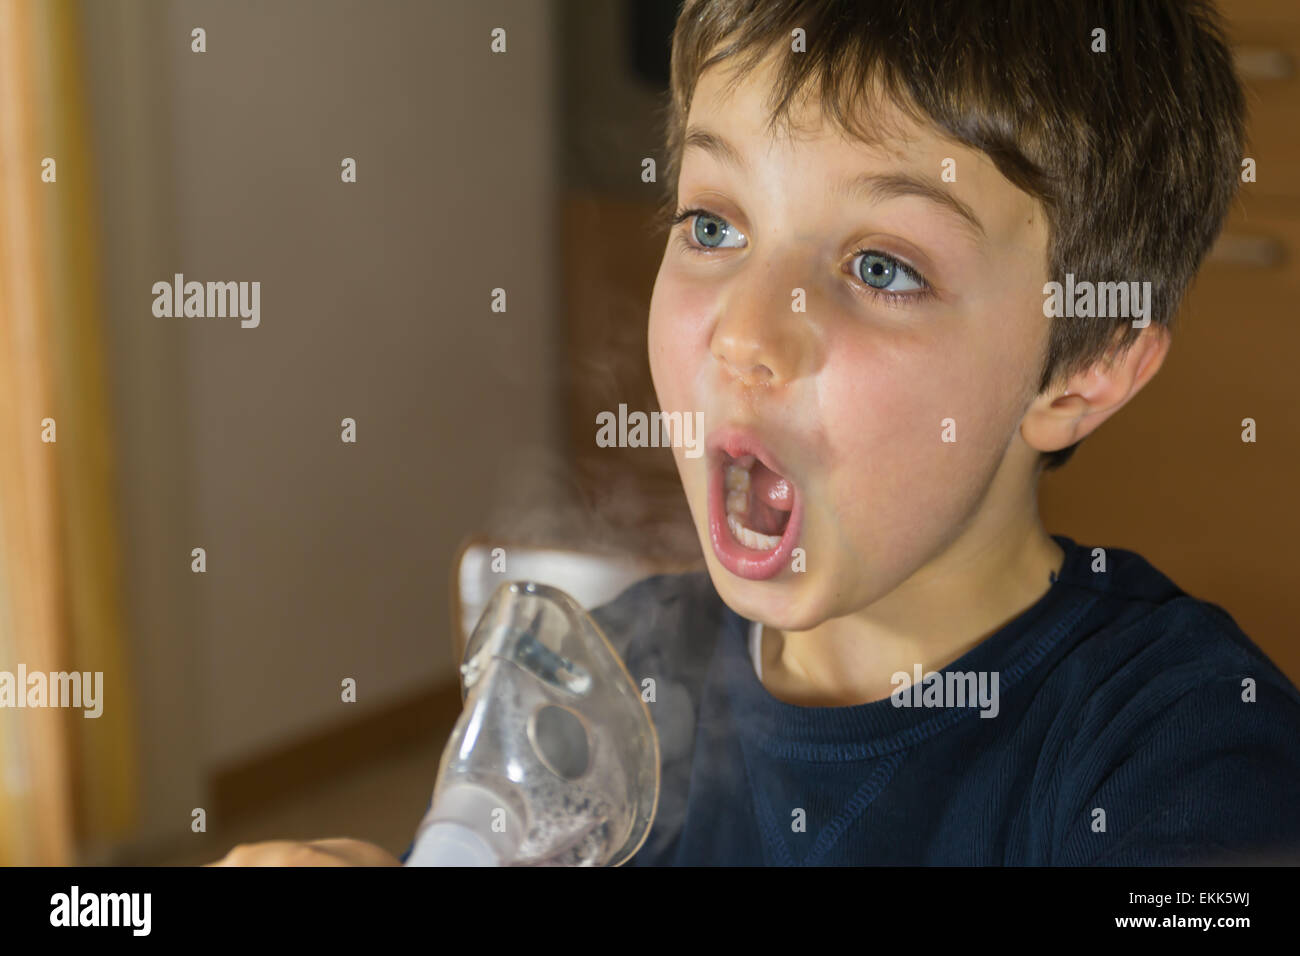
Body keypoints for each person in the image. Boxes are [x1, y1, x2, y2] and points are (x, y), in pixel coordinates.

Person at [215, 0, 1300, 866]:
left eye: (882, 268)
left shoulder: (1184, 753)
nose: (742, 331)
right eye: (713, 224)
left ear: (1088, 368)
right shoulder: (612, 674)